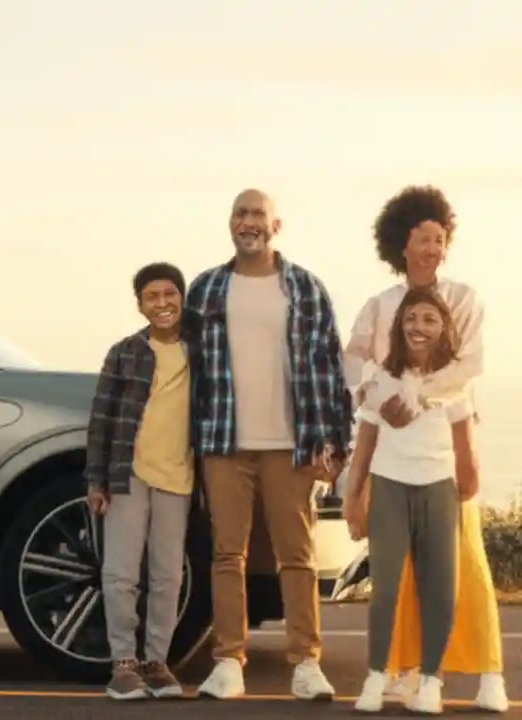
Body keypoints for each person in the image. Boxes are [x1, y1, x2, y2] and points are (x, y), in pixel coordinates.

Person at [342, 184, 508, 713]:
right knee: (404, 572)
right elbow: (354, 364)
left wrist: (415, 396)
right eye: (424, 238)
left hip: (445, 447)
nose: (435, 248)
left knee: (467, 564)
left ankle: (489, 673)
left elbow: (468, 366)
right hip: (394, 452)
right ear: (402, 242)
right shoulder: (380, 305)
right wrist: (383, 392)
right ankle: (409, 671)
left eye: (441, 238)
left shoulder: (463, 298)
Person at [186, 188, 351, 701]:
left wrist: (336, 444)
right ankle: (228, 661)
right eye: (240, 212)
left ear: (275, 226)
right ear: (229, 222)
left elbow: (330, 368)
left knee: (296, 556)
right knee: (226, 554)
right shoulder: (206, 289)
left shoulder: (304, 287)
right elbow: (187, 373)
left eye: (258, 213)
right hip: (224, 442)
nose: (248, 221)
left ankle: (306, 663)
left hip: (292, 444)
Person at [344, 287, 476, 714]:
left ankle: (430, 681)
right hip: (389, 486)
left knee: (439, 589)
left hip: (438, 488)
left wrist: (468, 484)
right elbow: (363, 446)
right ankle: (376, 676)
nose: (419, 327)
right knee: (385, 589)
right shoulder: (379, 379)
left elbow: (464, 447)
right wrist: (353, 498)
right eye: (411, 319)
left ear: (443, 329)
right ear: (400, 326)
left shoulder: (455, 383)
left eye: (429, 320)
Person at [84, 262, 193, 700]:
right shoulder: (125, 351)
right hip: (128, 475)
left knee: (168, 576)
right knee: (121, 573)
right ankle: (124, 664)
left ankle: (157, 662)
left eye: (170, 294)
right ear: (140, 304)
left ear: (182, 298)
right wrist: (96, 480)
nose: (162, 304)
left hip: (178, 477)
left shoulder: (199, 352)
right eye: (152, 297)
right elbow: (102, 419)